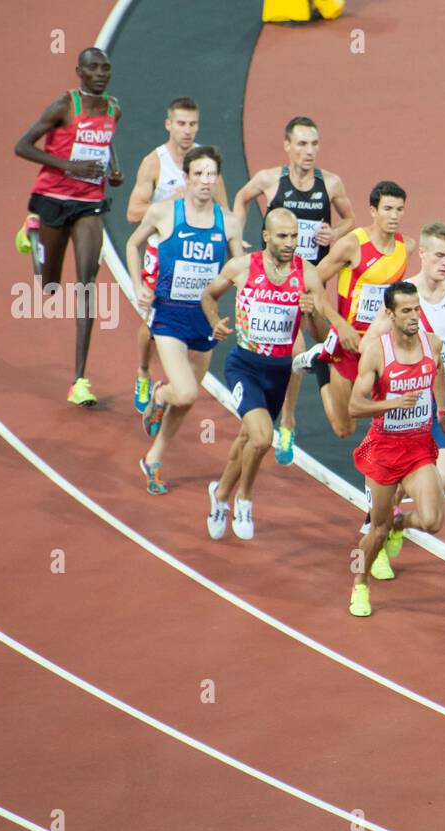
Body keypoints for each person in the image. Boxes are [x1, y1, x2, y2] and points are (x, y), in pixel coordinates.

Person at [232, 116, 355, 463]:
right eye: (302, 144)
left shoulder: (329, 183)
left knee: (317, 342)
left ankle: (303, 401)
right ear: (287, 145)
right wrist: (236, 240)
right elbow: (241, 199)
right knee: (292, 346)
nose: (309, 151)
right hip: (273, 281)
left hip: (311, 279)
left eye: (314, 144)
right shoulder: (270, 180)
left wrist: (336, 233)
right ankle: (286, 420)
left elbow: (350, 218)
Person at [201, 208, 331, 538]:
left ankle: (219, 495)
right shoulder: (242, 267)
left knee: (247, 440)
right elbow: (208, 296)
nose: (290, 243)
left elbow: (319, 331)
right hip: (244, 365)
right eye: (283, 236)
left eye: (295, 237)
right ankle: (243, 500)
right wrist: (215, 322)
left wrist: (312, 312)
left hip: (279, 371)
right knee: (261, 437)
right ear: (267, 236)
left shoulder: (309, 274)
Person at [124, 145, 243, 494]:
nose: (206, 181)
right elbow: (132, 244)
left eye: (211, 174)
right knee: (186, 392)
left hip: (205, 318)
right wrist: (137, 286)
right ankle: (159, 393)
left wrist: (237, 312)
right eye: (199, 174)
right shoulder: (164, 214)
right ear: (187, 178)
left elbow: (241, 272)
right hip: (169, 316)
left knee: (187, 399)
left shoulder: (229, 223)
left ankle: (154, 459)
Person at [13, 47, 123, 406]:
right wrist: (66, 165)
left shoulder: (113, 108)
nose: (101, 73)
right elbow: (23, 147)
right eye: (93, 68)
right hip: (53, 198)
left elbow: (107, 143)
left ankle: (79, 380)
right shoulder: (64, 106)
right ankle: (33, 230)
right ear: (79, 71)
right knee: (48, 286)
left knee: (87, 280)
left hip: (90, 202)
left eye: (105, 68)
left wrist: (113, 169)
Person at [346, 283, 445, 616]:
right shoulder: (378, 352)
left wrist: (441, 412)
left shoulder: (431, 344)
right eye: (406, 311)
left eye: (417, 309)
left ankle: (400, 524)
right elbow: (355, 405)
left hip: (419, 447)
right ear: (390, 314)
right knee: (375, 530)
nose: (413, 316)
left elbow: (437, 375)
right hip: (385, 449)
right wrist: (392, 403)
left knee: (433, 521)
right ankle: (360, 585)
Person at [125, 97, 230, 413]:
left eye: (192, 124)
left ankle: (175, 388)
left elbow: (224, 210)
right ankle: (144, 372)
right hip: (161, 255)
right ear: (168, 124)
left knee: (195, 321)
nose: (187, 131)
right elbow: (132, 212)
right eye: (181, 124)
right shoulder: (154, 162)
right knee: (151, 325)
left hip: (196, 256)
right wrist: (172, 202)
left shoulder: (205, 165)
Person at [293, 181, 413, 438]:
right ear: (373, 210)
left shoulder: (407, 247)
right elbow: (313, 282)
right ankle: (320, 363)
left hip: (380, 344)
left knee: (392, 416)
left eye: (399, 209)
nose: (394, 216)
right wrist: (340, 324)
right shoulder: (352, 244)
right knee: (343, 429)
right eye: (388, 209)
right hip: (347, 343)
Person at [407, 223, 445, 493]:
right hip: (407, 395)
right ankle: (384, 505)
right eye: (439, 256)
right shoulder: (403, 294)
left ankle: (398, 508)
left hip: (437, 395)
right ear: (422, 253)